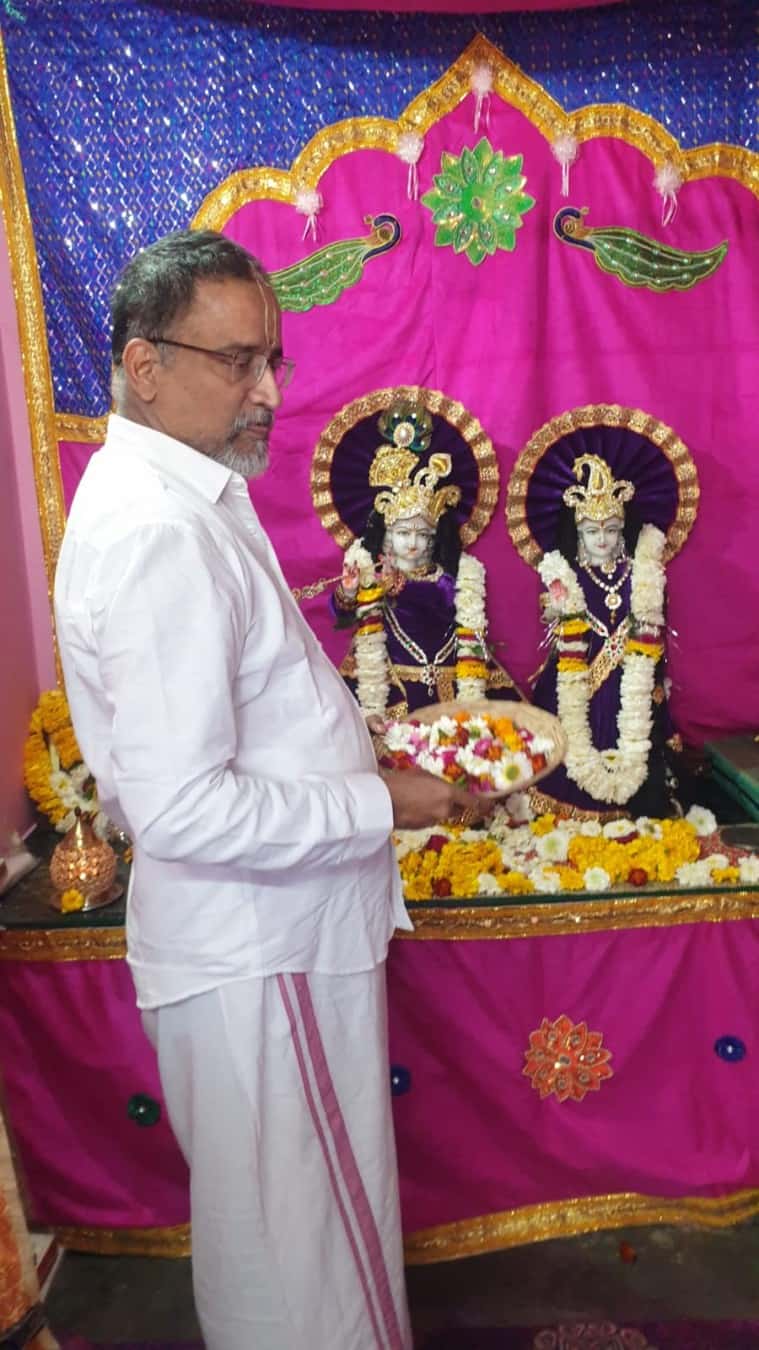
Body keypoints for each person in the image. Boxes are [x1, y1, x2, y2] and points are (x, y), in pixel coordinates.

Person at [53, 229, 488, 1350]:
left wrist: (355, 734)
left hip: (267, 946)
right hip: (263, 954)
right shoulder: (159, 531)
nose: (270, 391)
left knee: (286, 1249)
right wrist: (381, 801)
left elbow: (233, 714)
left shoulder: (185, 492)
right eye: (238, 360)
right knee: (309, 1271)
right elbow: (182, 810)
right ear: (145, 365)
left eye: (273, 360)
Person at [332, 404, 516, 718]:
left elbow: (442, 599)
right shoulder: (371, 570)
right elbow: (343, 615)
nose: (413, 543)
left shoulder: (447, 576)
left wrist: (400, 585)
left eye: (422, 534)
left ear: (433, 537)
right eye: (403, 533)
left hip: (452, 687)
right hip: (389, 687)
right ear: (388, 535)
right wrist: (348, 592)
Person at [531, 453, 673, 817]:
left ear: (623, 529)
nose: (602, 540)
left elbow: (652, 637)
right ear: (578, 533)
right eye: (592, 531)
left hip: (631, 685)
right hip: (579, 683)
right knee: (572, 737)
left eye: (611, 530)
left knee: (637, 738)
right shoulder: (566, 578)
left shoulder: (642, 575)